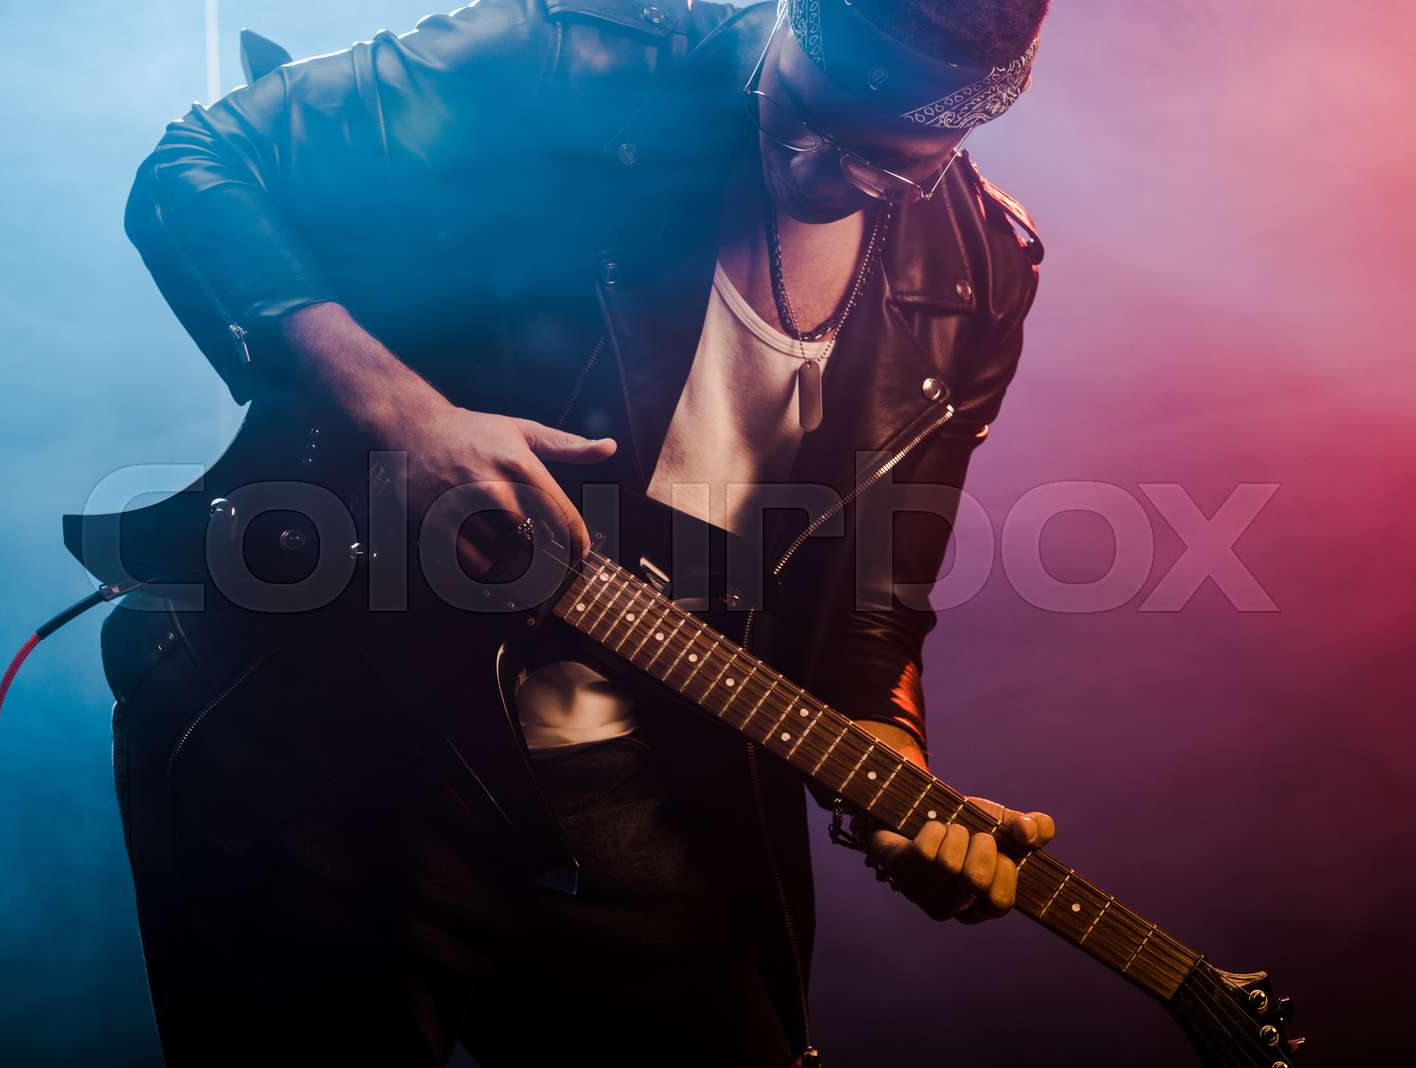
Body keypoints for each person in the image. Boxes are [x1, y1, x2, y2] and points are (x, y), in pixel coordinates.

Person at [106, 0, 1055, 1063]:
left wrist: (893, 776)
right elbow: (196, 166)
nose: (807, 161)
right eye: (791, 109)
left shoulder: (975, 280)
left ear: (973, 122)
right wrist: (408, 417)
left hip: (630, 779)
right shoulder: (570, 54)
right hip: (327, 729)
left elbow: (870, 612)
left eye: (879, 163)